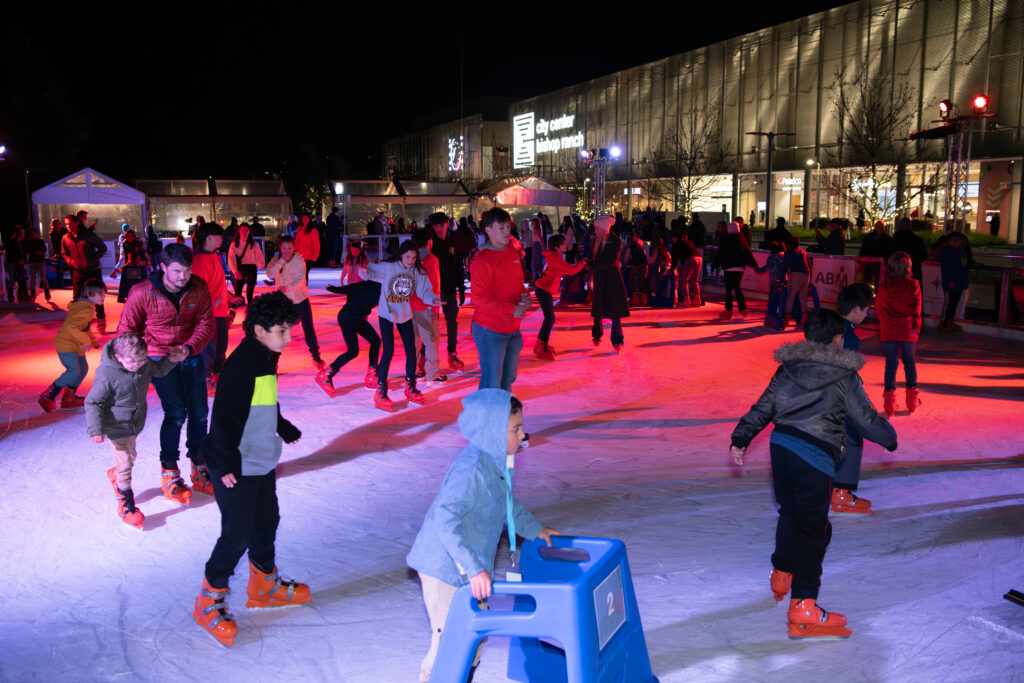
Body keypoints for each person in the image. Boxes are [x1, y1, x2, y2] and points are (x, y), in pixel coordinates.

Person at [730, 308, 897, 639]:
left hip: (781, 449)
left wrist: (741, 437)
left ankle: (781, 574)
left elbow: (764, 406)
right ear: (837, 339)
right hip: (814, 457)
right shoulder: (844, 375)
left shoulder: (787, 368)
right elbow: (865, 418)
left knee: (790, 514)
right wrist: (889, 438)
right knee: (813, 531)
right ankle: (803, 605)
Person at [406, 389, 561, 682]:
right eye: (515, 429)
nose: (523, 435)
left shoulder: (496, 464)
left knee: (475, 636)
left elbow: (507, 505)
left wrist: (535, 529)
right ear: (492, 432)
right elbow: (445, 519)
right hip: (445, 568)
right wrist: (474, 569)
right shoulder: (471, 469)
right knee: (450, 641)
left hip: (469, 568)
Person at [193, 291, 309, 647]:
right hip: (233, 461)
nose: (288, 337)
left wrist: (281, 425)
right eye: (281, 330)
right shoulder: (244, 362)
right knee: (237, 533)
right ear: (259, 330)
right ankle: (208, 600)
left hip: (257, 456)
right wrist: (227, 463)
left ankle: (263, 584)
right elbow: (224, 416)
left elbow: (262, 401)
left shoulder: (263, 357)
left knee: (266, 520)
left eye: (289, 330)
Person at [117, 243, 215, 505]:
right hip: (158, 357)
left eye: (187, 270)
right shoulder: (142, 292)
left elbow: (206, 322)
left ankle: (199, 468)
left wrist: (190, 348)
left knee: (200, 413)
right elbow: (126, 330)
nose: (183, 276)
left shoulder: (198, 287)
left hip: (190, 354)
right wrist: (134, 360)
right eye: (177, 271)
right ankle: (169, 473)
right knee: (176, 413)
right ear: (162, 267)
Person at [85, 332, 183, 529]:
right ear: (119, 357)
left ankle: (116, 474)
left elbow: (159, 370)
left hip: (134, 423)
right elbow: (93, 401)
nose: (137, 365)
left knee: (130, 457)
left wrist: (171, 360)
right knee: (126, 464)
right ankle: (126, 505)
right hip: (115, 424)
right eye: (132, 362)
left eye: (141, 360)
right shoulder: (107, 373)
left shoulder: (144, 364)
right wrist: (96, 429)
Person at [359, 239, 441, 411]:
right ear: (401, 255)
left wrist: (433, 299)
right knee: (388, 351)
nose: (410, 261)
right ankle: (381, 390)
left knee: (411, 350)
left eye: (413, 257)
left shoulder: (417, 271)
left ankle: (410, 387)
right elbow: (371, 271)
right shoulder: (390, 267)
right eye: (407, 257)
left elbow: (425, 291)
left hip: (405, 313)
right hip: (387, 314)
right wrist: (365, 271)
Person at [471, 209, 530, 391]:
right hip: (490, 330)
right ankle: (488, 410)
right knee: (492, 383)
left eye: (508, 227)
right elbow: (479, 298)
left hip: (512, 328)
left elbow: (518, 282)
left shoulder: (512, 253)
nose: (507, 231)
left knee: (508, 379)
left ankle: (503, 409)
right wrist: (512, 309)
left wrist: (524, 295)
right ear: (488, 230)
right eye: (501, 227)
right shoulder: (482, 260)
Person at [832, 282, 877, 513]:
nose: (867, 313)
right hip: (838, 399)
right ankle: (841, 493)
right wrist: (863, 402)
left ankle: (827, 484)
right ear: (857, 309)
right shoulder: (849, 337)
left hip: (815, 398)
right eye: (866, 309)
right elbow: (847, 375)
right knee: (852, 437)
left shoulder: (828, 327)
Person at [38, 279, 105, 412]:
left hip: (75, 344)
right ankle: (49, 394)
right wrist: (86, 341)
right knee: (74, 371)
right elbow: (71, 326)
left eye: (104, 293)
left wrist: (92, 341)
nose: (103, 296)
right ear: (89, 294)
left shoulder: (88, 307)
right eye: (100, 293)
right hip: (66, 343)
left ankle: (69, 397)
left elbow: (84, 328)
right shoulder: (84, 308)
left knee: (83, 369)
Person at [266, 234, 324, 371]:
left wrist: (288, 288)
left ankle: (316, 355)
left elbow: (300, 281)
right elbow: (270, 274)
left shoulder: (299, 260)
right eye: (284, 248)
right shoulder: (276, 260)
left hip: (300, 299)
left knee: (308, 327)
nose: (287, 251)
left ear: (294, 248)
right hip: (284, 302)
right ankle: (274, 359)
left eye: (290, 248)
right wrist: (281, 261)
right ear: (280, 248)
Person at [876, 250, 923, 417]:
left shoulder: (884, 286)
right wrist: (915, 325)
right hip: (907, 328)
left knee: (891, 364)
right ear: (908, 266)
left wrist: (885, 323)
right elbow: (916, 306)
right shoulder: (913, 284)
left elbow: (879, 306)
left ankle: (889, 403)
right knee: (909, 363)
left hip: (889, 329)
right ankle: (912, 401)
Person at [317, 279, 382, 396]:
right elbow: (352, 289)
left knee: (375, 341)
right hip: (347, 318)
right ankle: (325, 375)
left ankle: (371, 376)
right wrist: (334, 289)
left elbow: (352, 290)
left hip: (357, 318)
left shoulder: (379, 288)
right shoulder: (374, 286)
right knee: (353, 351)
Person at [533, 234, 587, 360]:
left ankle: (540, 344)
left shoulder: (555, 257)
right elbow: (572, 270)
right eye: (563, 243)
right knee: (550, 318)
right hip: (543, 290)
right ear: (557, 247)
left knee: (549, 318)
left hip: (544, 289)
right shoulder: (556, 259)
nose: (565, 245)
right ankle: (541, 347)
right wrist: (584, 261)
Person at [191, 223, 230, 393]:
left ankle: (219, 375)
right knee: (209, 348)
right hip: (208, 313)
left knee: (220, 346)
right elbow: (198, 289)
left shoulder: (215, 256)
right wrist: (210, 304)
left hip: (220, 311)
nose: (221, 239)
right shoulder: (199, 261)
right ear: (209, 238)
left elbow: (217, 283)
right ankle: (206, 379)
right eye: (219, 236)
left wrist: (229, 297)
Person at [427, 213, 467, 372]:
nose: (439, 228)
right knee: (431, 324)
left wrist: (461, 288)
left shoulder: (452, 242)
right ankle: (426, 357)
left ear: (447, 225)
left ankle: (452, 354)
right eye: (436, 226)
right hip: (433, 290)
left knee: (452, 322)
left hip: (449, 289)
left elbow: (458, 267)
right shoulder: (430, 244)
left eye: (442, 225)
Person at [61, 214, 108, 331]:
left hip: (93, 270)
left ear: (77, 223)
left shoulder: (88, 235)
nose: (68, 226)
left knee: (96, 295)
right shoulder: (66, 238)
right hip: (78, 271)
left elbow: (103, 248)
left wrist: (92, 260)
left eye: (70, 223)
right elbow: (64, 253)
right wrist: (70, 261)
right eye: (66, 224)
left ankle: (101, 319)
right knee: (77, 297)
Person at [590, 215, 630, 350]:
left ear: (603, 228)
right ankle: (597, 334)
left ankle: (617, 340)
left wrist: (595, 266)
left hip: (612, 278)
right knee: (597, 307)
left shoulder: (615, 241)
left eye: (597, 228)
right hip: (599, 277)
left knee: (615, 309)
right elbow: (591, 257)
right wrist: (586, 263)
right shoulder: (596, 240)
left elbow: (613, 261)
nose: (595, 231)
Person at [411, 229, 445, 385]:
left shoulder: (409, 258)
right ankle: (432, 374)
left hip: (410, 306)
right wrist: (435, 307)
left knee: (413, 341)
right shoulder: (432, 260)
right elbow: (435, 285)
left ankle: (413, 371)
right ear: (429, 241)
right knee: (431, 341)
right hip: (425, 307)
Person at [712, 221, 759, 320]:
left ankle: (728, 311)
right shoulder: (742, 241)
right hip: (740, 268)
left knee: (729, 289)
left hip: (729, 267)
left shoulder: (727, 240)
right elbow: (748, 254)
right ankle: (743, 309)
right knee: (737, 288)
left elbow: (720, 254)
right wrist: (755, 265)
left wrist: (714, 266)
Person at [940, 232, 970, 333]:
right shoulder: (948, 251)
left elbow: (962, 264)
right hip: (953, 281)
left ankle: (949, 322)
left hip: (959, 281)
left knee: (953, 303)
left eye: (956, 240)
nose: (954, 242)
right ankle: (946, 323)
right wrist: (950, 280)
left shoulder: (959, 250)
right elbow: (947, 267)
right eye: (952, 240)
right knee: (951, 303)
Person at [228, 223, 264, 305]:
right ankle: (236, 307)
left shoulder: (254, 244)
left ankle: (250, 307)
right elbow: (231, 258)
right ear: (239, 231)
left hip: (251, 268)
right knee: (238, 290)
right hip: (240, 268)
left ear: (249, 232)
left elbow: (259, 254)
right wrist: (235, 271)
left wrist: (260, 263)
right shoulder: (234, 244)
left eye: (246, 231)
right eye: (242, 230)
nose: (244, 233)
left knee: (250, 291)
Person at [781, 236, 811, 328]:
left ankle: (786, 318)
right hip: (806, 273)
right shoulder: (803, 251)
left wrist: (781, 279)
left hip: (796, 273)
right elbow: (809, 264)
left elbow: (784, 266)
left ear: (789, 244)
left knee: (791, 295)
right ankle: (805, 317)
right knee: (803, 296)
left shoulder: (789, 252)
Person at [672, 230, 702, 307]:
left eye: (673, 238)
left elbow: (675, 258)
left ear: (675, 238)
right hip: (699, 258)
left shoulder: (678, 243)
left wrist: (672, 268)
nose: (672, 240)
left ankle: (686, 300)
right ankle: (697, 299)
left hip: (691, 259)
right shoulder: (688, 241)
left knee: (683, 279)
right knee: (694, 280)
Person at [22, 227, 51, 301]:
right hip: (33, 261)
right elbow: (26, 250)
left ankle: (47, 293)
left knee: (43, 277)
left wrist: (40, 252)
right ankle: (33, 294)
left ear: (36, 234)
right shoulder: (29, 242)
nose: (32, 235)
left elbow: (44, 249)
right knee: (33, 278)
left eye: (33, 233)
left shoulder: (40, 241)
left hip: (40, 260)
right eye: (31, 234)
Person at [294, 214, 320, 282]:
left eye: (306, 218)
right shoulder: (300, 229)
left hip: (309, 256)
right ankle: (301, 286)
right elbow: (297, 242)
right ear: (301, 219)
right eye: (303, 218)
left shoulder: (313, 230)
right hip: (300, 256)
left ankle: (304, 286)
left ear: (309, 219)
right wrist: (296, 253)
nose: (305, 220)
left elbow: (316, 244)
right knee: (301, 274)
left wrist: (315, 256)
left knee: (304, 273)